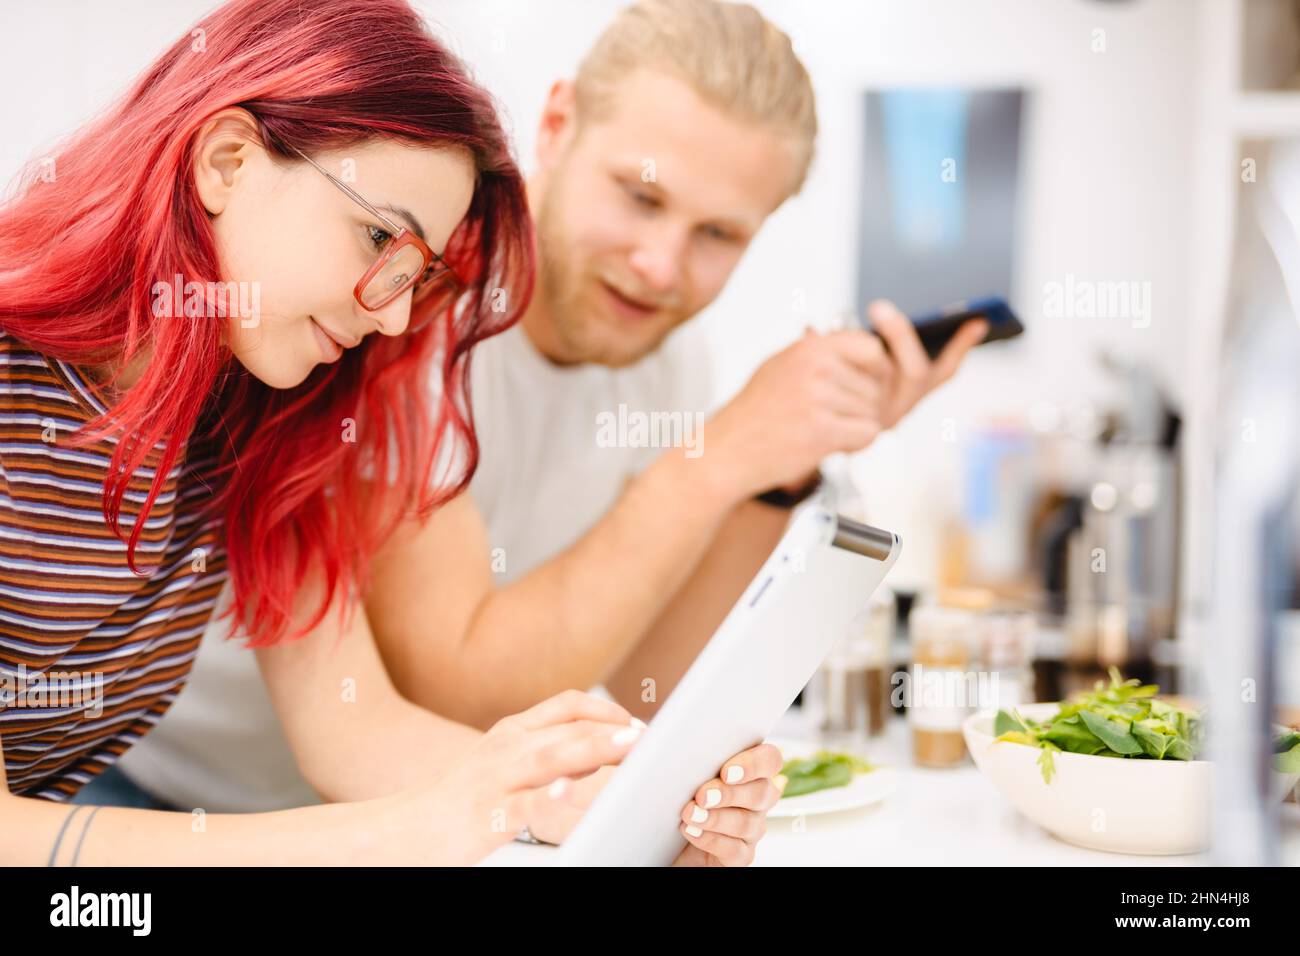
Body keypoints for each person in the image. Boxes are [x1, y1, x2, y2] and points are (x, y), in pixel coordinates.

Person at [97, 0, 985, 865]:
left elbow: (646, 671)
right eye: (640, 197)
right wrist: (722, 456)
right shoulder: (395, 321)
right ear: (557, 125)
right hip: (162, 798)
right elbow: (458, 684)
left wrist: (782, 463)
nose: (660, 264)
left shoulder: (668, 363)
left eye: (718, 233)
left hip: (376, 811)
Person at [0, 0, 767, 866]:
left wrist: (647, 795)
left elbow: (354, 730)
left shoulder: (254, 414)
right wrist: (422, 827)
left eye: (416, 271)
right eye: (377, 237)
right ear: (226, 162)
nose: (396, 315)